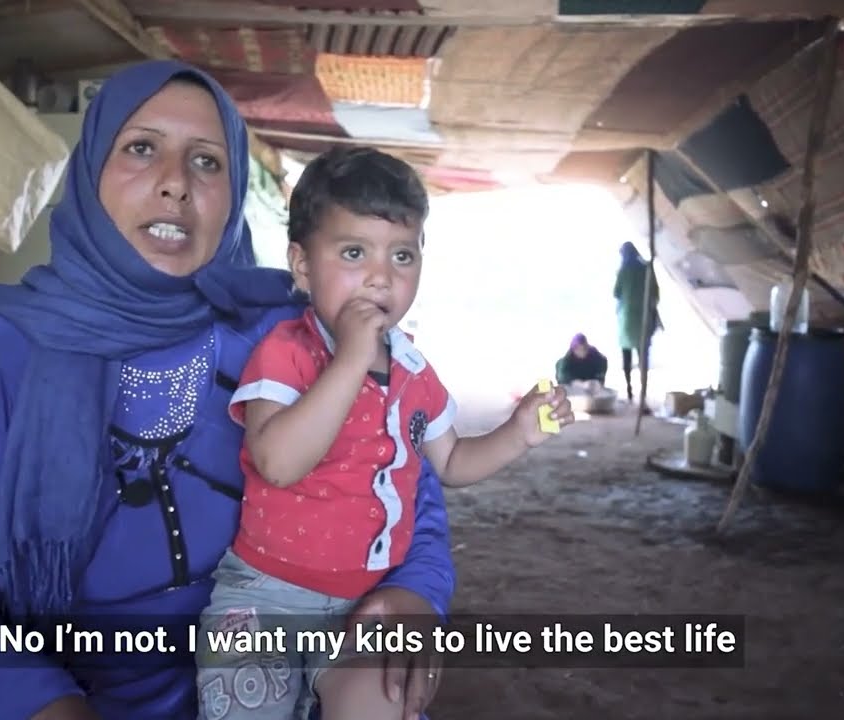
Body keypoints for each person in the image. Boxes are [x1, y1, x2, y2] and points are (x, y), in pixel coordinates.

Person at [0, 61, 457, 720]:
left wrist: (418, 591)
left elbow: (402, 476)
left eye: (207, 162)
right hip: (66, 692)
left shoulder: (291, 337)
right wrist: (33, 701)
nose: (175, 185)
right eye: (141, 149)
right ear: (91, 171)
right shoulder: (4, 351)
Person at [194, 146, 575, 720]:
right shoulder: (287, 353)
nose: (380, 276)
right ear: (302, 266)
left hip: (364, 609)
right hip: (263, 598)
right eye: (354, 252)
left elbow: (452, 463)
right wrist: (350, 359)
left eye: (402, 255)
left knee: (387, 703)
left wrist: (518, 433)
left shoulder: (414, 371)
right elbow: (276, 461)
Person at [613, 241, 661, 402]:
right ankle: (643, 391)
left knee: (626, 356)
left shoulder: (623, 271)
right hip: (644, 319)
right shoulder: (646, 269)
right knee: (643, 358)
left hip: (626, 320)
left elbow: (616, 292)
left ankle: (629, 390)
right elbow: (655, 293)